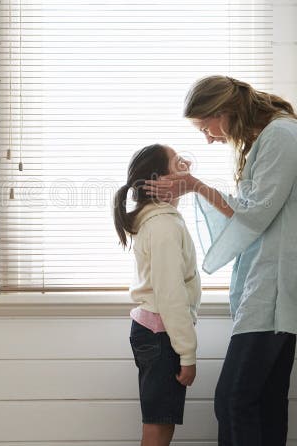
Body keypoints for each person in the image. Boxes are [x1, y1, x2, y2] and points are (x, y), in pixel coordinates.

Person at [143, 75, 297, 446]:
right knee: (264, 401)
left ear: (222, 112)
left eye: (206, 127)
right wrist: (196, 187)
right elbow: (251, 214)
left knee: (233, 401)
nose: (208, 138)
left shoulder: (280, 136)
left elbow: (253, 215)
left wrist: (195, 186)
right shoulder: (269, 139)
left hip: (275, 287)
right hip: (269, 284)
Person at [113, 144, 202, 446]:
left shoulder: (161, 220)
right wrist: (187, 353)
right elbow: (170, 295)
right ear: (159, 181)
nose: (187, 163)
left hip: (155, 332)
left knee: (162, 422)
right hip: (160, 336)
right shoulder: (163, 225)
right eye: (178, 162)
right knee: (158, 426)